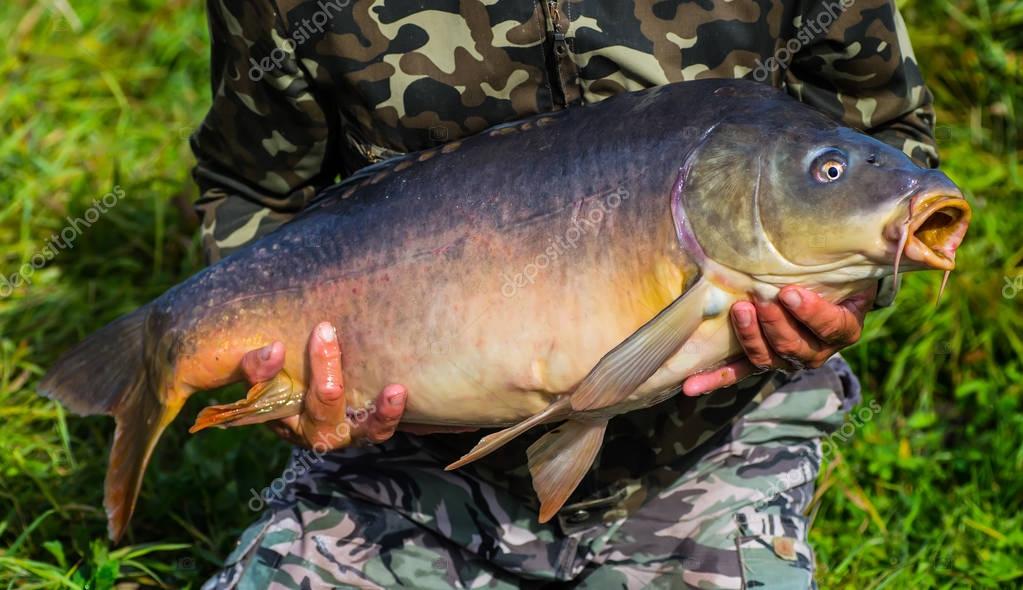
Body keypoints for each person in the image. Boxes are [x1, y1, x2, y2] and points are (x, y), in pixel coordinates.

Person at [191, 1, 937, 588]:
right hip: (407, 458)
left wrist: (852, 297)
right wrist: (285, 380)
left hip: (710, 445)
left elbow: (887, 130)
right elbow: (249, 190)